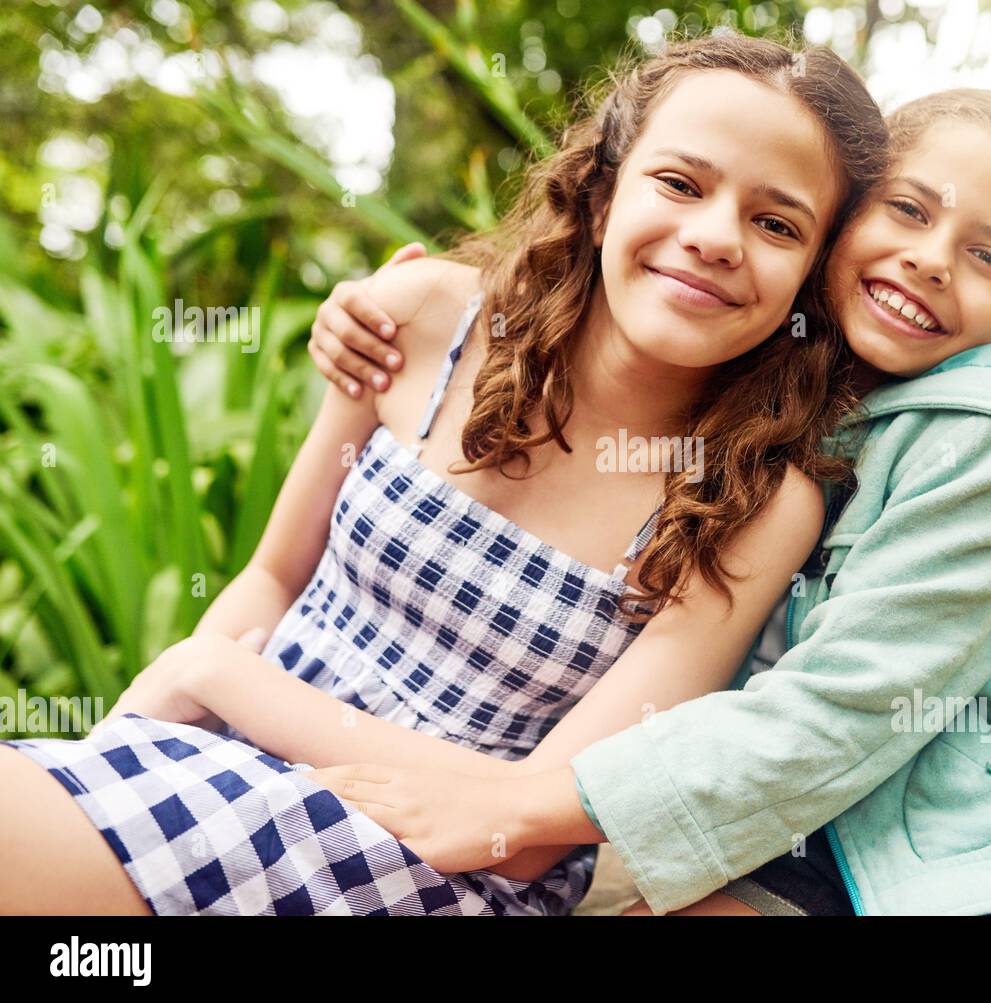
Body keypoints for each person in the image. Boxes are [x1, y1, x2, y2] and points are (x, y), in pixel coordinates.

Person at [0, 33, 889, 916]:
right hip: (212, 764)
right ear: (603, 188)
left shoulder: (757, 501)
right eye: (680, 183)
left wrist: (220, 679)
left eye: (777, 223)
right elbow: (273, 577)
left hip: (433, 861)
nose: (714, 238)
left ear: (814, 273)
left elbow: (545, 816)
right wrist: (132, 739)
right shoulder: (423, 317)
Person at [307, 88, 991, 917]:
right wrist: (378, 315)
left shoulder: (983, 444)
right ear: (838, 223)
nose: (931, 258)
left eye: (988, 257)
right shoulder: (776, 378)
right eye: (908, 210)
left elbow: (845, 709)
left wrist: (517, 806)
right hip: (799, 841)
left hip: (975, 864)